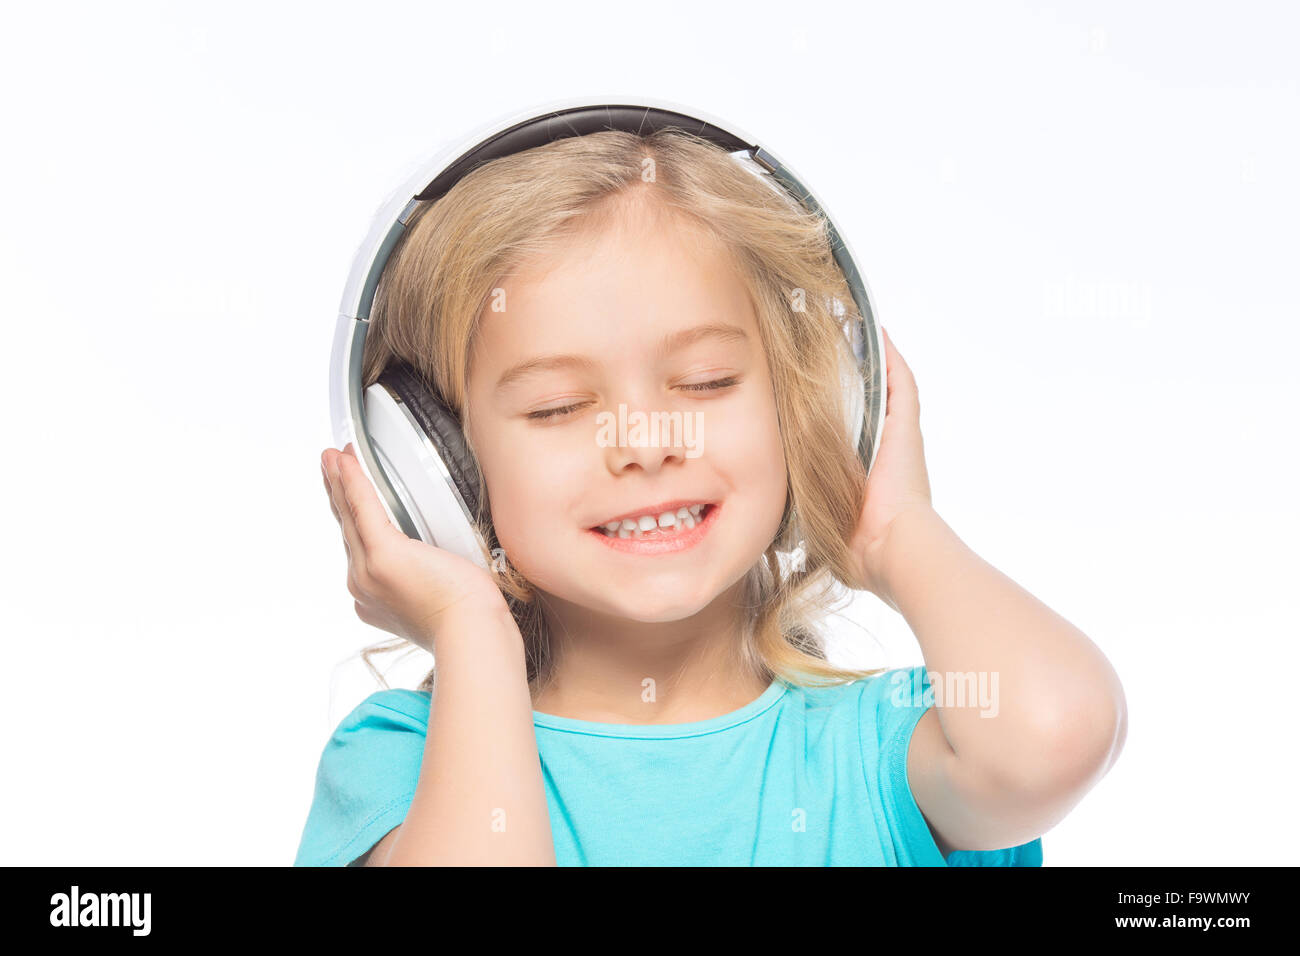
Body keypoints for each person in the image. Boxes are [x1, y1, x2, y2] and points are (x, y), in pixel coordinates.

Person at [295, 128, 1126, 866]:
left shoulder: (888, 752)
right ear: (433, 463)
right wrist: (472, 629)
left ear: (809, 407)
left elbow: (1057, 732)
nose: (650, 443)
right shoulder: (402, 763)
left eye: (705, 382)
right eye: (559, 407)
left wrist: (894, 532)